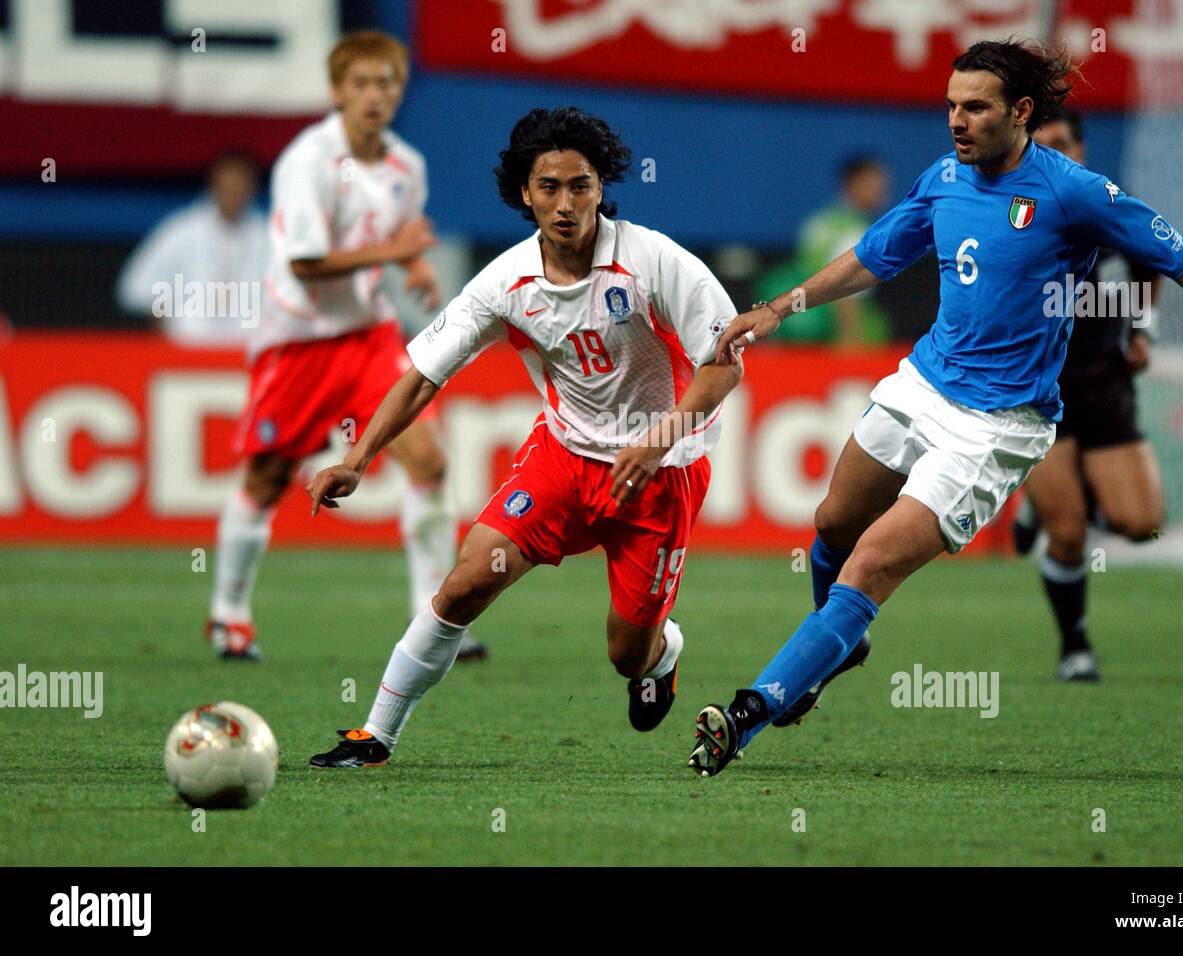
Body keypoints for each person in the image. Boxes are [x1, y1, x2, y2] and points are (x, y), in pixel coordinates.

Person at [689, 38, 1183, 777]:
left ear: (1020, 112)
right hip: (921, 385)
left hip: (997, 425)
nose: (956, 119)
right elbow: (874, 255)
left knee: (872, 563)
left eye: (974, 107)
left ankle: (752, 710)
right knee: (832, 527)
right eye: (950, 105)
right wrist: (780, 306)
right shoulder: (944, 177)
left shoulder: (1072, 191)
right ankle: (838, 645)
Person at [305, 107, 743, 769]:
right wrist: (359, 457)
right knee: (463, 587)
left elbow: (724, 364)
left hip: (661, 472)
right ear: (523, 193)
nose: (565, 203)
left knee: (627, 651)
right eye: (548, 187)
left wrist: (658, 438)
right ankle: (375, 736)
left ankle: (663, 653)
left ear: (602, 187)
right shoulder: (504, 284)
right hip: (564, 460)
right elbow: (423, 376)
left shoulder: (655, 262)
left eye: (580, 186)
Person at [206, 30, 485, 661]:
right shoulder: (307, 160)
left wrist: (411, 270)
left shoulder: (407, 166)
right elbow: (306, 263)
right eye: (360, 83)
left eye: (386, 84)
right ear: (336, 92)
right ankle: (228, 614)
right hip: (299, 338)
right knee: (269, 476)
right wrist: (397, 254)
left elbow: (393, 234)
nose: (374, 96)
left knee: (430, 463)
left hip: (368, 335)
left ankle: (434, 618)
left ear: (400, 91)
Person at [1013, 108, 1164, 682]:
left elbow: (1158, 264)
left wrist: (1141, 330)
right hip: (1037, 391)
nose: (1049, 158)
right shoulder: (1018, 215)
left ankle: (1048, 498)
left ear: (1078, 151)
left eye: (1059, 146)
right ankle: (1074, 645)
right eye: (1038, 148)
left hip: (1104, 385)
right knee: (1070, 534)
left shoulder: (1111, 209)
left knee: (1141, 523)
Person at [115, 150, 268, 346]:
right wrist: (165, 347)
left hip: (247, 349)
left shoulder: (267, 235)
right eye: (227, 184)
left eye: (240, 184)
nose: (233, 191)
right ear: (213, 184)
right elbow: (140, 289)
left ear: (252, 187)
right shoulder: (181, 230)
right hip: (187, 347)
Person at [771, 155, 893, 346]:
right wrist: (851, 342)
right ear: (854, 183)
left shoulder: (819, 221)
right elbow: (846, 295)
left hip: (800, 323)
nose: (882, 191)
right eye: (874, 184)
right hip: (831, 333)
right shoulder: (857, 231)